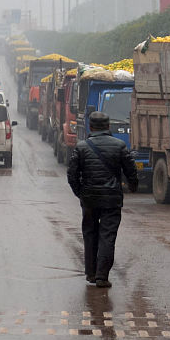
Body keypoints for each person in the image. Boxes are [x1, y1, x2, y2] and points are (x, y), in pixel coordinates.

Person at [67, 110, 139, 288]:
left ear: (90, 127)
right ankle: (102, 276)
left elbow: (72, 175)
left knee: (90, 234)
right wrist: (132, 187)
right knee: (108, 236)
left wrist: (80, 193)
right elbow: (131, 171)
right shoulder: (120, 146)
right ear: (108, 126)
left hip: (89, 199)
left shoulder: (81, 147)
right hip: (111, 199)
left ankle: (91, 273)